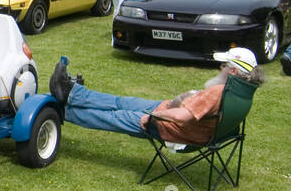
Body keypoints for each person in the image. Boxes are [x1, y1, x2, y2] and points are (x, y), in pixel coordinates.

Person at [49, 48, 261, 146]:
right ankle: (71, 93)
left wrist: (152, 118)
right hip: (171, 112)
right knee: (121, 102)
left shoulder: (218, 93)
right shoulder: (242, 93)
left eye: (224, 65)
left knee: (116, 116)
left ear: (233, 72)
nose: (221, 68)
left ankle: (63, 110)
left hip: (167, 124)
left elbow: (183, 117)